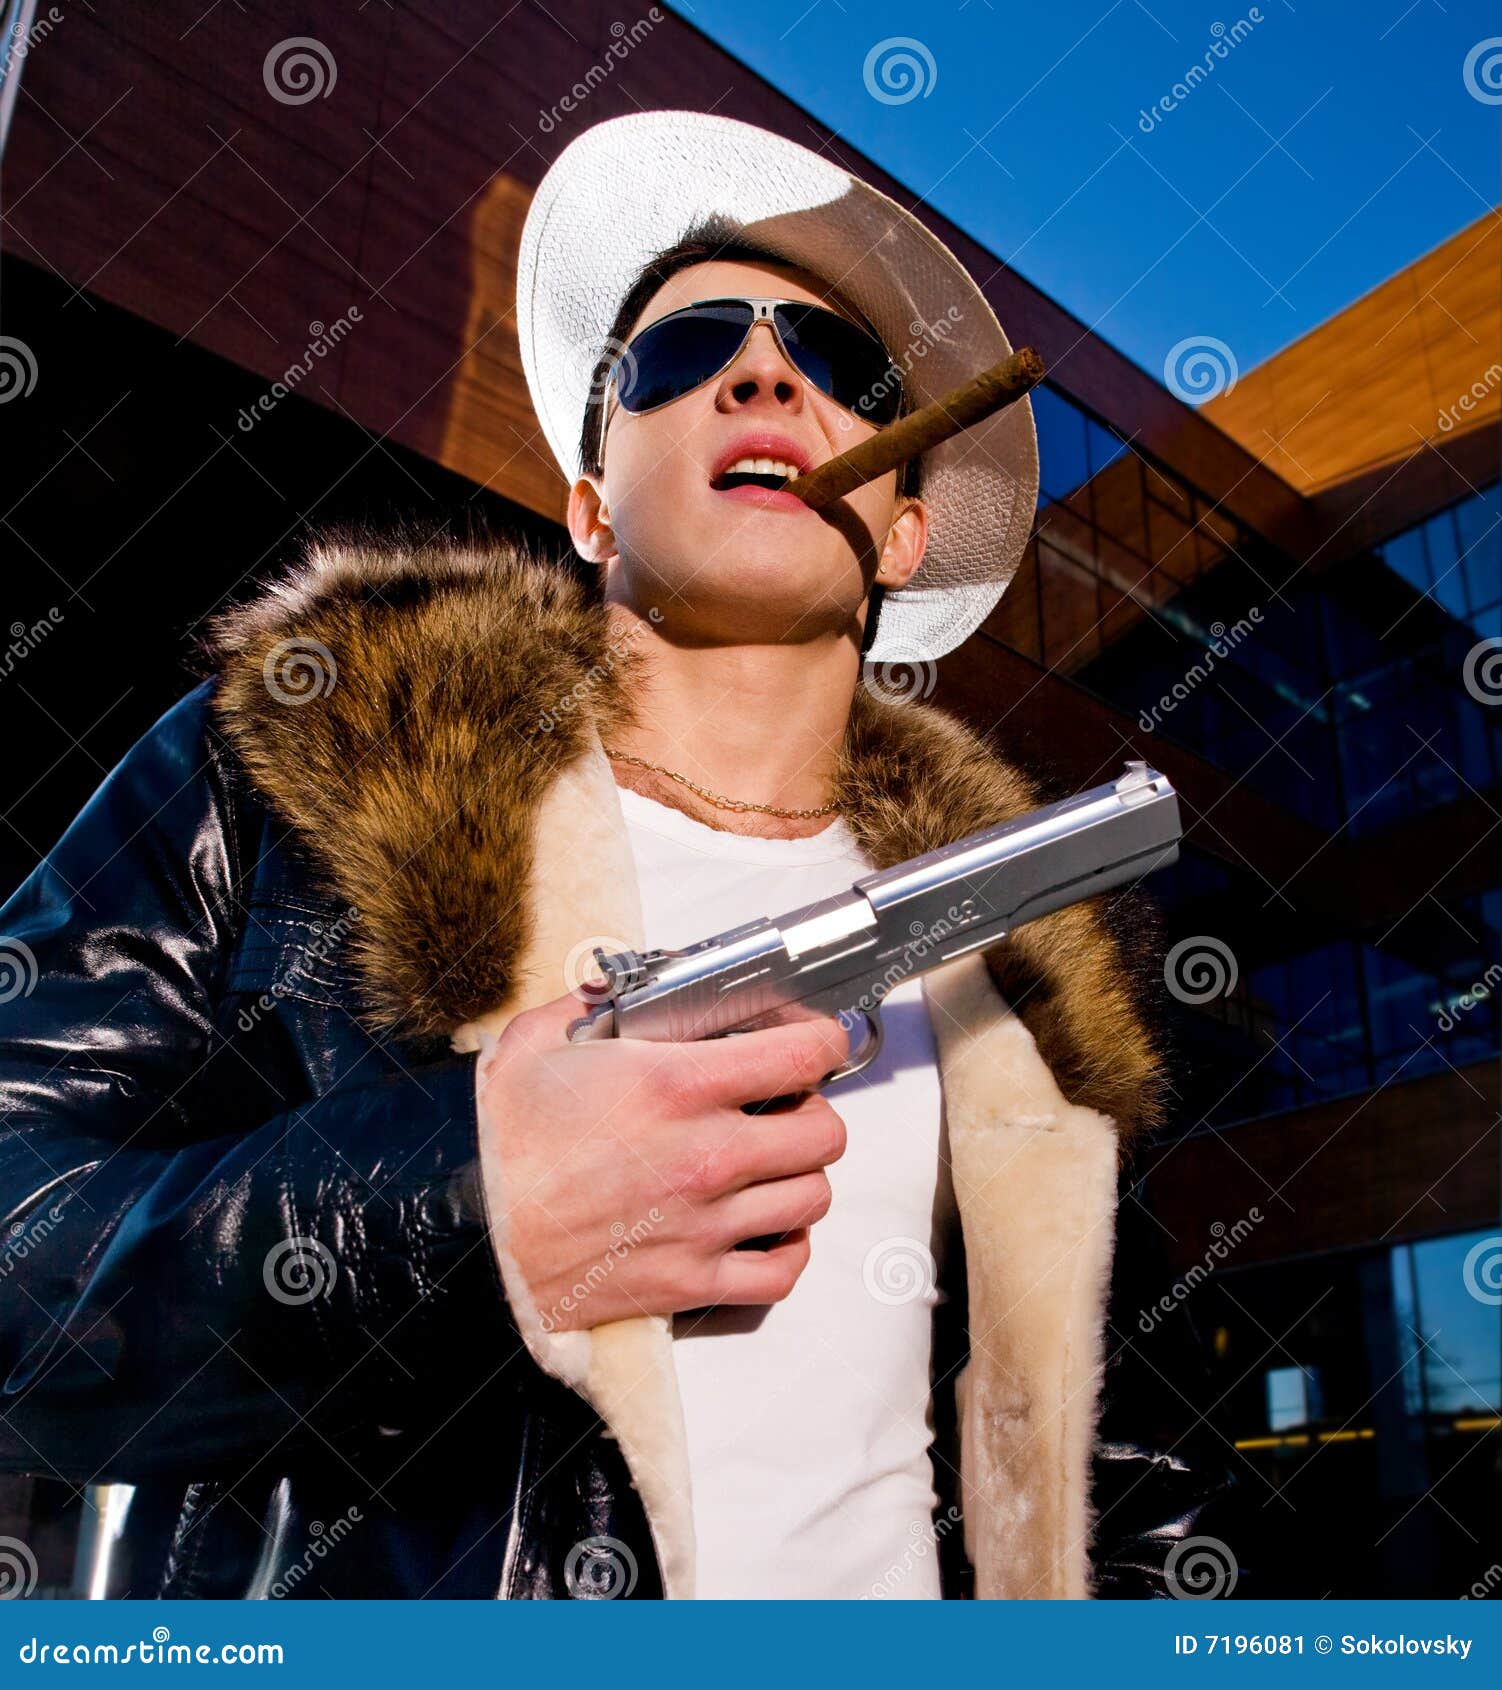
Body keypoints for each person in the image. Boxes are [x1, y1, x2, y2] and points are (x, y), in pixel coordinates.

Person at [0, 111, 1238, 1600]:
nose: (763, 371)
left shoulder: (1024, 981)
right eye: (681, 352)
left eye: (840, 368)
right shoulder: (297, 778)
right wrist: (460, 1202)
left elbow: (1129, 1479)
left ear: (902, 532)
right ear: (589, 505)